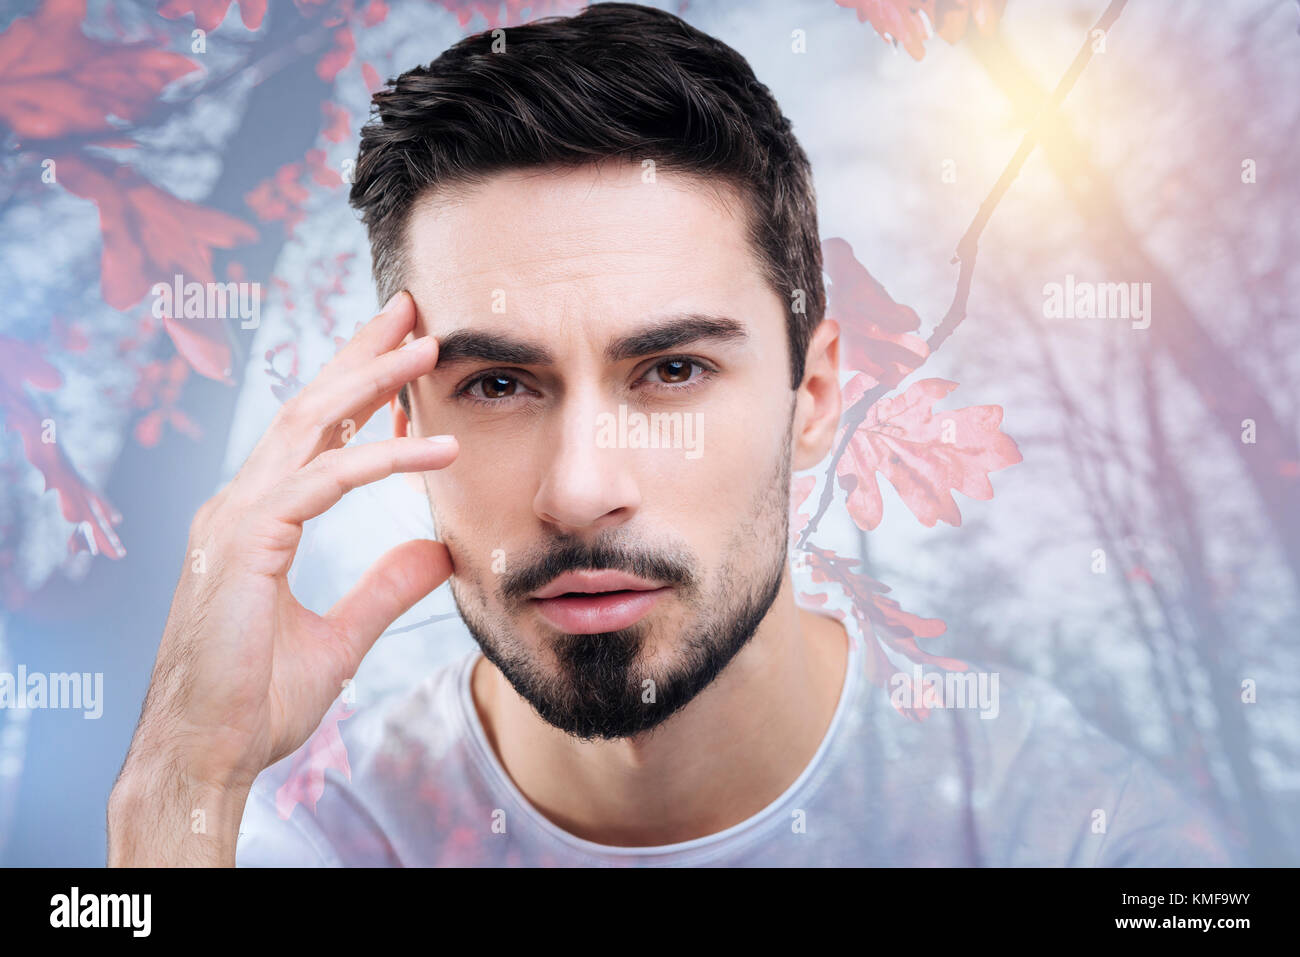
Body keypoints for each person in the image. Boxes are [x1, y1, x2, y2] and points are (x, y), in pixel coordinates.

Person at [107, 2, 1242, 867]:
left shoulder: (1075, 836)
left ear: (815, 398)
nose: (581, 489)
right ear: (403, 419)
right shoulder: (312, 841)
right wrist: (178, 783)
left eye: (673, 370)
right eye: (499, 383)